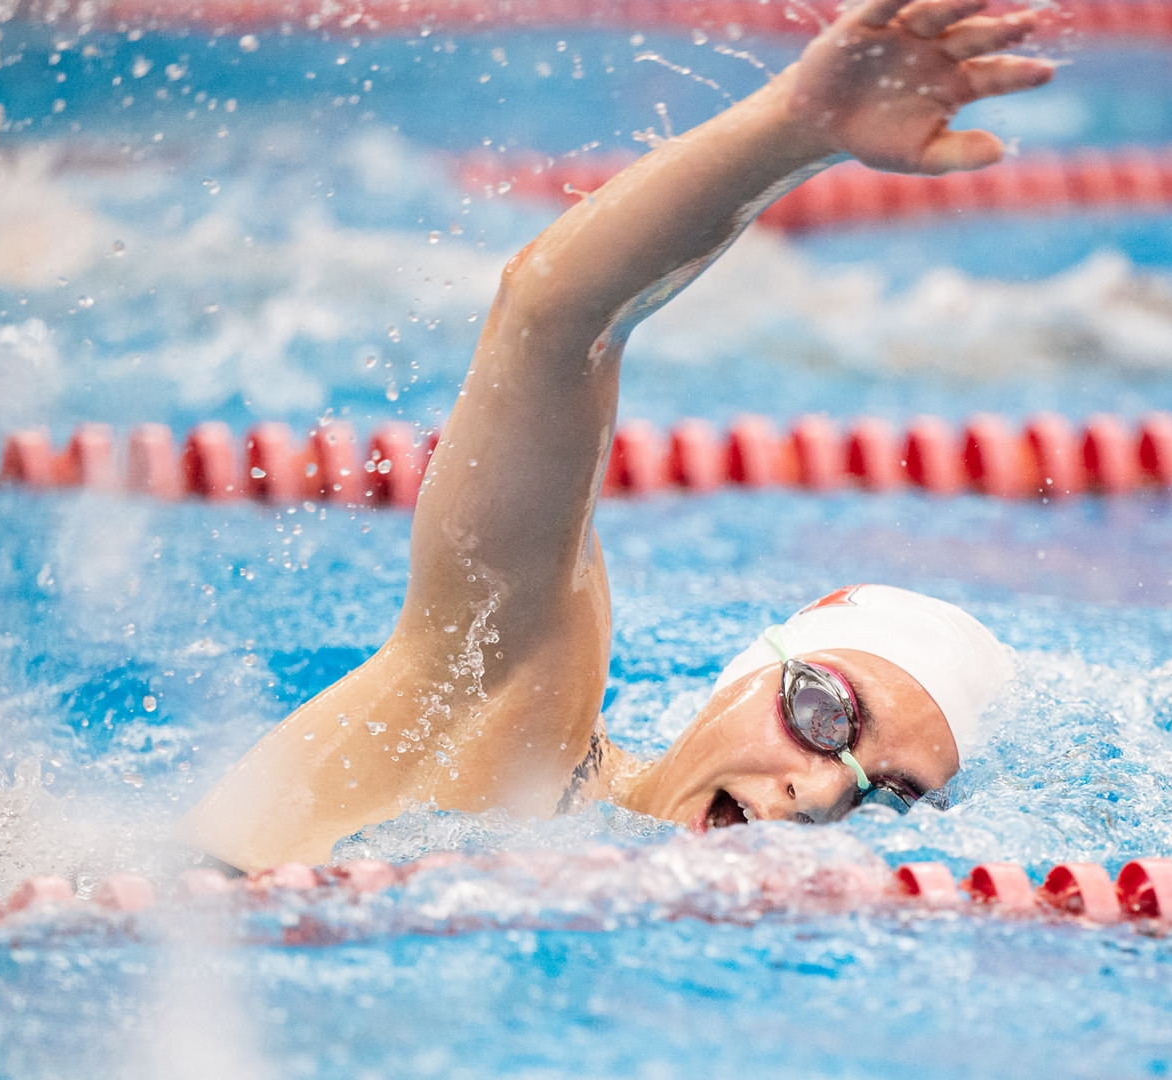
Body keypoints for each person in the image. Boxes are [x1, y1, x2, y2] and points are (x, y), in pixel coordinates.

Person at [179, 0, 1051, 872]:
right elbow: (553, 322)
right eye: (825, 716)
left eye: (885, 799)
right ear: (752, 671)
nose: (821, 797)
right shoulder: (510, 706)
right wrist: (793, 129)